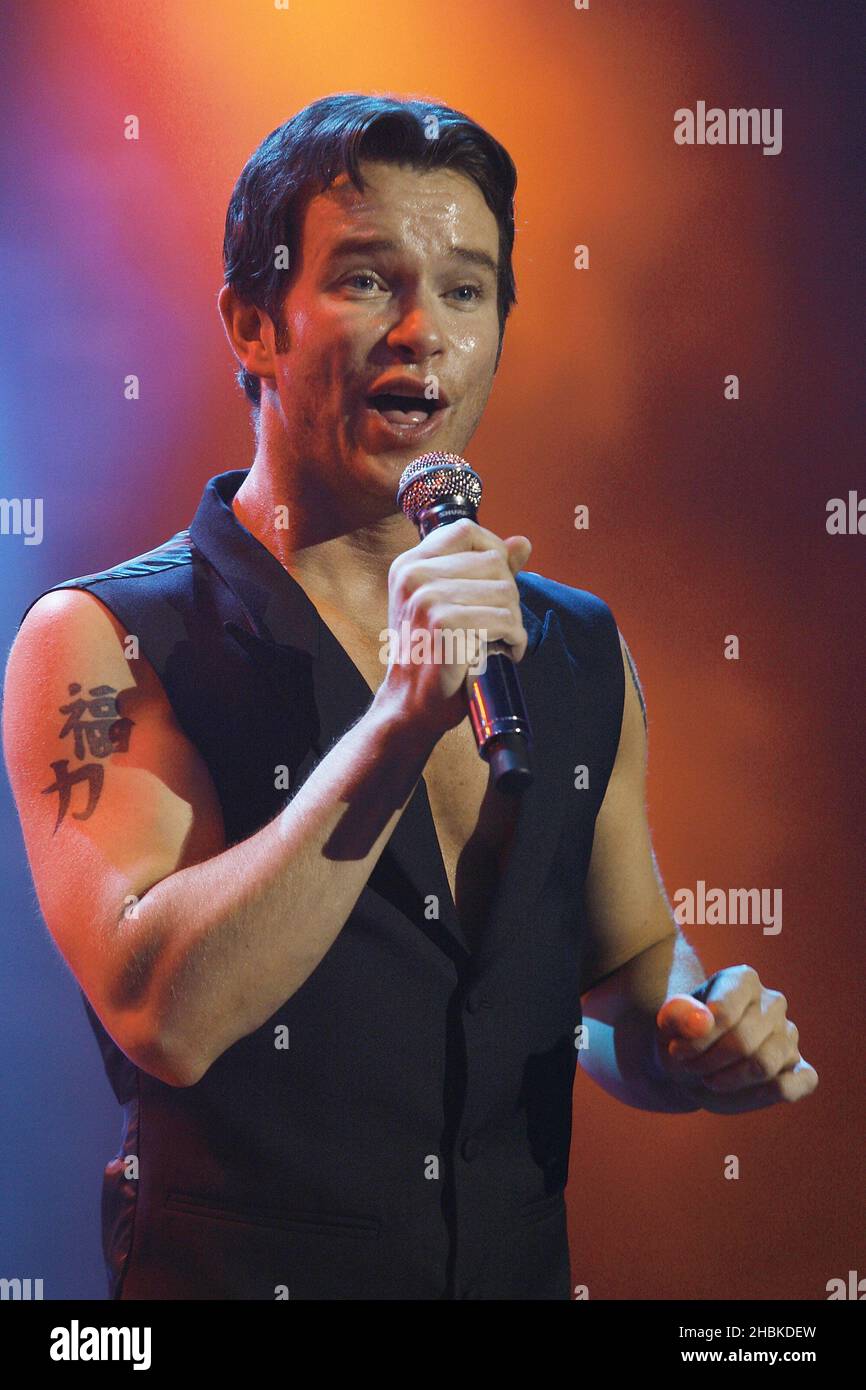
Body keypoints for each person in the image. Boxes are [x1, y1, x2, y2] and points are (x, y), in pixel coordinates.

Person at [2, 93, 818, 1301]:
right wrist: (396, 721)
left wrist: (689, 1041)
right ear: (252, 325)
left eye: (467, 289)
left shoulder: (573, 644)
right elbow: (162, 1011)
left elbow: (624, 982)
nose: (422, 333)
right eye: (369, 281)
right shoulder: (107, 639)